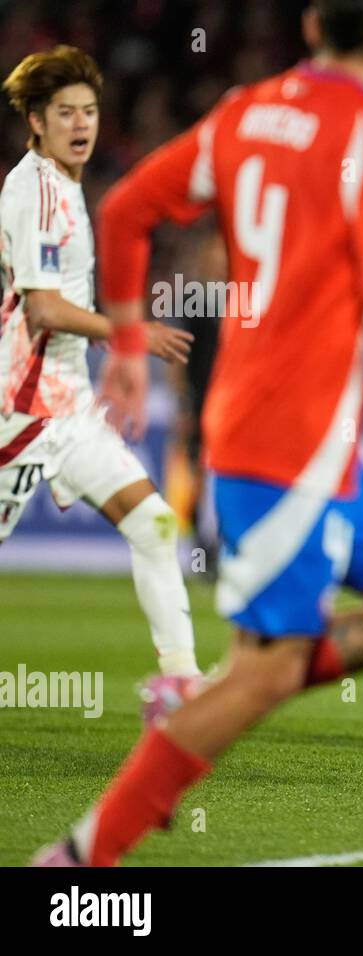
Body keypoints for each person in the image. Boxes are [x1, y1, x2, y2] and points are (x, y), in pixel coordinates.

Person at [34, 0, 363, 866]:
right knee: (269, 672)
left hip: (311, 436)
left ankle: (214, 694)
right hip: (282, 441)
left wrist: (126, 345)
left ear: (314, 26)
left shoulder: (245, 111)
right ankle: (81, 859)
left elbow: (124, 210)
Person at [1, 45, 199, 678]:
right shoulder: (32, 190)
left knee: (156, 525)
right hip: (20, 413)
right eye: (64, 112)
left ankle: (182, 685)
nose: (81, 124)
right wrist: (128, 332)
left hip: (68, 409)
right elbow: (45, 310)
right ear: (36, 120)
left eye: (88, 110)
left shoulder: (67, 187)